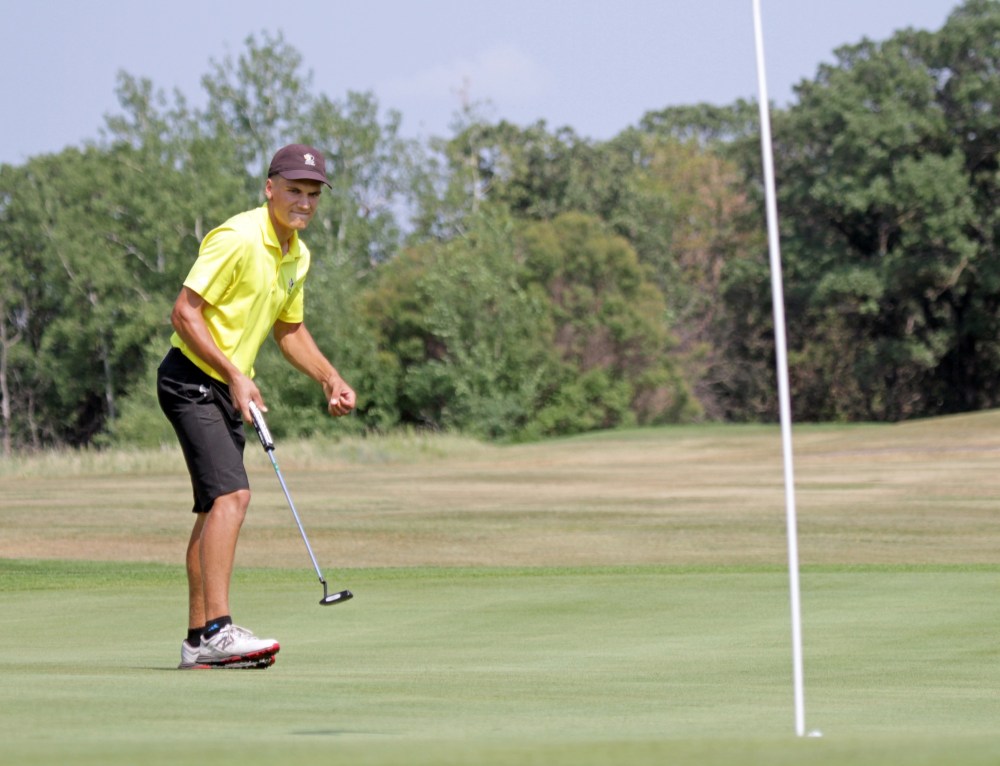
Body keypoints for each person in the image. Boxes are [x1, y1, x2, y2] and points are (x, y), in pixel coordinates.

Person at [157, 144, 356, 669]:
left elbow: (289, 330)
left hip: (224, 386)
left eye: (313, 194)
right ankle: (219, 631)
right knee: (233, 496)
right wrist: (235, 375)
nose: (304, 202)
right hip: (191, 380)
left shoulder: (297, 255)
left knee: (213, 509)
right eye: (294, 190)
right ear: (270, 188)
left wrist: (329, 377)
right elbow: (184, 314)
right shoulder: (238, 237)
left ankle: (198, 641)